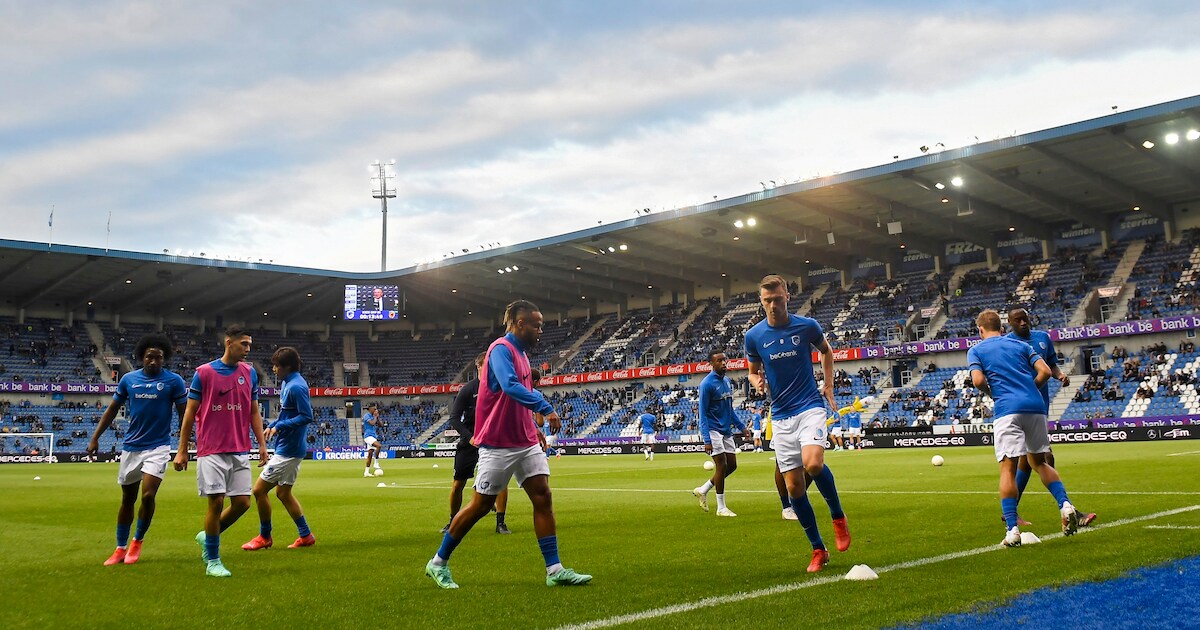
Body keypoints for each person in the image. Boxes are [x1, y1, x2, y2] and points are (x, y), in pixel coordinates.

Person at [425, 300, 591, 589]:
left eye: (541, 324)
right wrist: (546, 406)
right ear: (518, 324)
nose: (540, 330)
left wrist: (532, 426)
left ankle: (555, 570)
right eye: (536, 325)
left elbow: (518, 398)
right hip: (499, 443)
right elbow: (510, 386)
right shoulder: (501, 349)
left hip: (524, 440)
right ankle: (437, 563)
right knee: (480, 505)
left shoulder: (524, 355)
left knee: (543, 498)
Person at [745, 275, 849, 573]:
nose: (773, 305)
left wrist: (828, 385)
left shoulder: (807, 326)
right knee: (794, 488)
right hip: (780, 416)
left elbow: (826, 351)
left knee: (814, 464)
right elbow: (752, 370)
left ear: (787, 296)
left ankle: (838, 518)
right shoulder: (753, 336)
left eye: (777, 299)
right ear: (761, 301)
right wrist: (756, 380)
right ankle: (819, 549)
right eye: (767, 301)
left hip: (809, 407)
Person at [969, 310, 1081, 548]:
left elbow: (978, 381)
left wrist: (994, 393)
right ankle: (1066, 505)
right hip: (1035, 407)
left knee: (1008, 470)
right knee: (1039, 462)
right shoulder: (1019, 344)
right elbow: (1046, 372)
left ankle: (1012, 530)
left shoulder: (977, 350)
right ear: (1001, 326)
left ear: (980, 330)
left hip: (1008, 410)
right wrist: (1030, 389)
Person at [172, 325, 269, 578]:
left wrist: (261, 444)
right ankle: (213, 560)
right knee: (215, 502)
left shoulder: (249, 373)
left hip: (240, 447)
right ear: (229, 343)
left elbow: (254, 411)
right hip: (211, 448)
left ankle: (208, 535)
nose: (248, 349)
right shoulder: (203, 373)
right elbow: (190, 414)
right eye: (243, 344)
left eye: (250, 345)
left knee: (243, 503)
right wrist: (182, 450)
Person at [88, 334, 187, 566]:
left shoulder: (174, 381)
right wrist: (95, 438)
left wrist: (184, 443)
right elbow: (112, 409)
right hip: (131, 447)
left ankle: (137, 541)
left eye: (158, 358)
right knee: (127, 499)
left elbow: (185, 413)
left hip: (159, 447)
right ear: (142, 357)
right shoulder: (129, 380)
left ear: (164, 359)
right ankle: (120, 547)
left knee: (148, 494)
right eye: (149, 357)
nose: (153, 361)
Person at [1006, 308, 1096, 528]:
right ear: (1010, 323)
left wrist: (1060, 375)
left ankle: (1011, 512)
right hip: (1021, 407)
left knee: (1028, 462)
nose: (1023, 322)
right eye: (1018, 320)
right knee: (1044, 458)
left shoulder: (1042, 338)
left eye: (1025, 318)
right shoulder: (1007, 343)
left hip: (1038, 407)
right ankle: (1068, 509)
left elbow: (1051, 364)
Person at [242, 347, 315, 552]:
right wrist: (274, 425)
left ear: (288, 366)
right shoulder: (286, 383)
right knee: (283, 493)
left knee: (258, 490)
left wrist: (280, 426)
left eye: (276, 365)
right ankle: (306, 535)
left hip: (290, 450)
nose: (273, 369)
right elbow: (287, 413)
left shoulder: (297, 387)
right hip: (288, 447)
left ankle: (265, 536)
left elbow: (307, 416)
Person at [444, 353, 511, 535]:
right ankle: (453, 520)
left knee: (501, 483)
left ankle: (500, 523)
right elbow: (454, 418)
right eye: (488, 364)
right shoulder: (468, 390)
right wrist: (470, 437)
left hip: (494, 442)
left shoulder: (499, 388)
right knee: (458, 484)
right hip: (470, 443)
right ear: (479, 366)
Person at [692, 351, 749, 517]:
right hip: (712, 429)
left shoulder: (726, 381)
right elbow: (702, 413)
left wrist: (742, 427)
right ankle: (721, 507)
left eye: (724, 360)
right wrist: (707, 439)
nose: (724, 363)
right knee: (722, 465)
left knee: (732, 465)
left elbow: (729, 409)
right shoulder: (706, 384)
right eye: (719, 360)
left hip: (726, 430)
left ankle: (703, 489)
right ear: (712, 363)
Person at [362, 403, 384, 477]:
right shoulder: (366, 416)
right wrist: (375, 417)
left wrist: (377, 417)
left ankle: (366, 472)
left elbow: (381, 425)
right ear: (370, 409)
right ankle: (376, 462)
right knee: (379, 446)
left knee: (370, 454)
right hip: (368, 436)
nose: (375, 410)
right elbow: (372, 423)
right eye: (374, 409)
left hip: (373, 436)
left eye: (375, 409)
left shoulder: (374, 416)